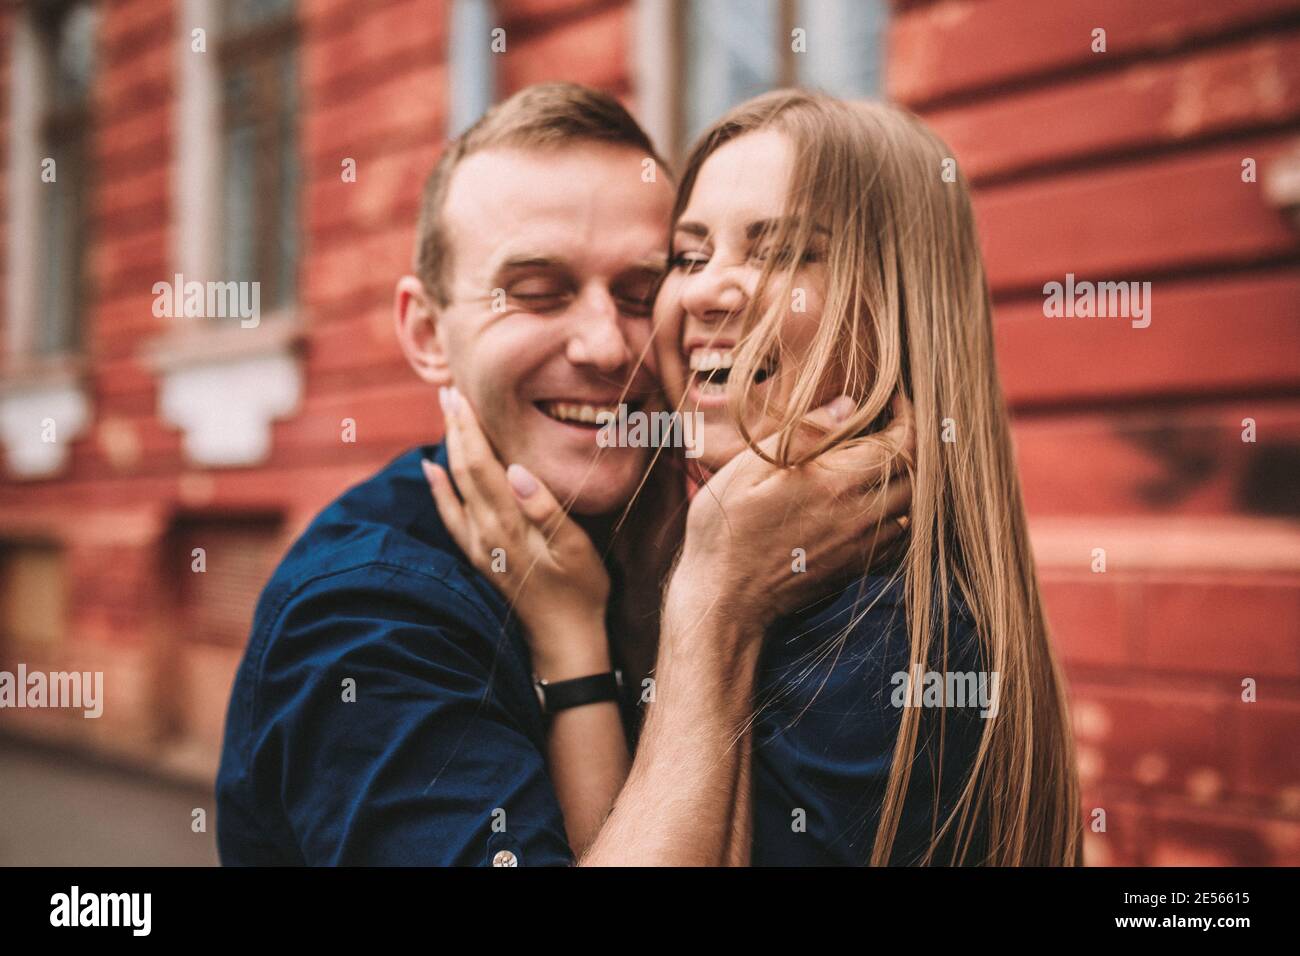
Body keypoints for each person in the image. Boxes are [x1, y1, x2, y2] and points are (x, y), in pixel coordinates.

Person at [215, 83, 912, 866]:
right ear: (426, 332)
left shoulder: (731, 533)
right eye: (538, 294)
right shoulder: (367, 623)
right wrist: (714, 607)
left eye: (642, 291)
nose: (607, 347)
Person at [429, 89, 1083, 865]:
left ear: (900, 309)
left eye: (780, 252)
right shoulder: (690, 554)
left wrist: (715, 595)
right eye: (691, 256)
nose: (706, 291)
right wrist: (579, 635)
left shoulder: (885, 636)